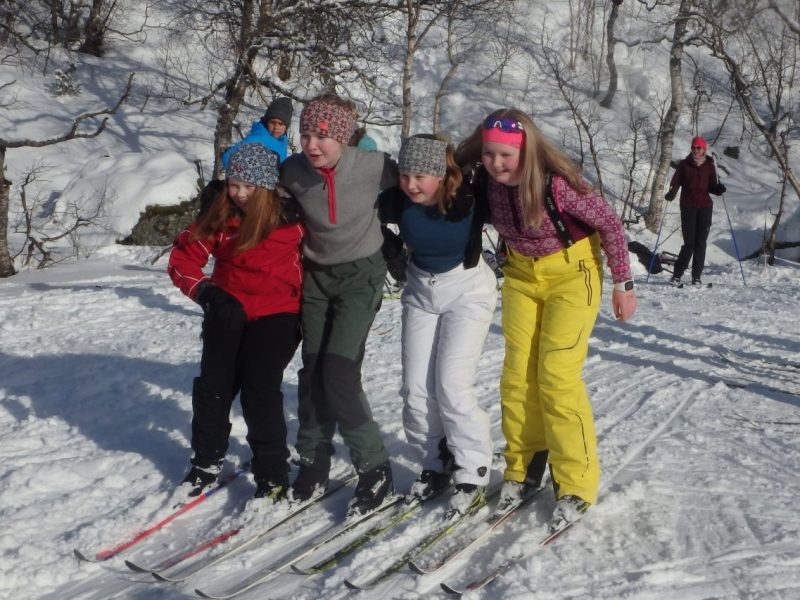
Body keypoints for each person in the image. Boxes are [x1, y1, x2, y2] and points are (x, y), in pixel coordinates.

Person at [456, 108, 637, 532]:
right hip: (521, 275)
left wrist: (623, 283)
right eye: (488, 154)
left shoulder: (558, 184)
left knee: (556, 376)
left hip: (573, 276)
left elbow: (610, 224)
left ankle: (576, 482)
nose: (495, 164)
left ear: (526, 150)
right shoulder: (487, 180)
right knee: (517, 375)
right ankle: (524, 466)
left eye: (505, 156)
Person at [279, 94, 399, 517]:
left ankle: (374, 465)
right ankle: (312, 463)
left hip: (361, 277)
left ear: (344, 138)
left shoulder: (371, 166)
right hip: (315, 278)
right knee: (313, 370)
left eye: (324, 136)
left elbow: (425, 183)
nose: (312, 144)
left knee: (339, 372)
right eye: (306, 134)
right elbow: (258, 195)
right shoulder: (293, 170)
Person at [167, 143, 304, 504]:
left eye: (249, 187)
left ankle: (272, 471)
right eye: (234, 184)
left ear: (267, 187)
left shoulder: (294, 219)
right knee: (214, 385)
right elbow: (183, 258)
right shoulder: (221, 215)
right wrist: (207, 294)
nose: (240, 193)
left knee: (260, 388)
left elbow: (328, 254)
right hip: (228, 309)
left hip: (279, 312)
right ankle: (206, 461)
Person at [380, 134, 498, 519]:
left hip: (468, 290)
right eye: (405, 174)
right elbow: (361, 215)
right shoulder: (397, 200)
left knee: (451, 384)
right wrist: (388, 247)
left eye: (420, 176)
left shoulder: (468, 198)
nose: (411, 184)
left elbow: (518, 204)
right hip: (419, 291)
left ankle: (472, 469)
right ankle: (435, 463)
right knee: (414, 389)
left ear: (439, 173)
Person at [664, 136, 726, 286]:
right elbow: (676, 182)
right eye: (693, 148)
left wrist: (718, 189)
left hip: (705, 207)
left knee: (701, 243)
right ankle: (677, 275)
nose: (695, 150)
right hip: (688, 206)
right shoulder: (684, 165)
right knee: (689, 243)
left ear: (704, 149)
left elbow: (711, 186)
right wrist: (672, 193)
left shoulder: (710, 166)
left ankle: (696, 277)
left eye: (698, 148)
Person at [222, 97, 294, 167]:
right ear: (267, 122)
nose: (276, 127)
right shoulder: (257, 138)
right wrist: (245, 174)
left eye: (280, 124)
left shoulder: (282, 141)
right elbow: (227, 157)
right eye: (272, 122)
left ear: (286, 126)